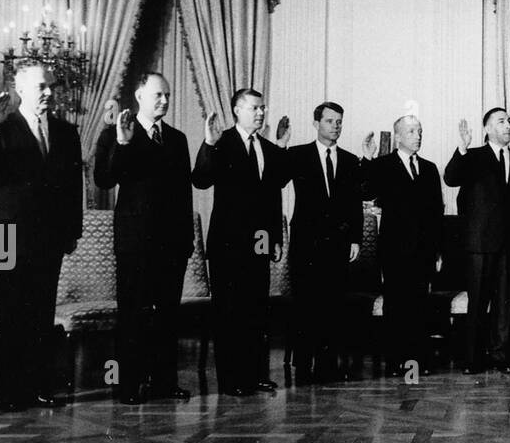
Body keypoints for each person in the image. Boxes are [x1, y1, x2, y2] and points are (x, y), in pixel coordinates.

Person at [0, 63, 83, 411]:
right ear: (21, 90)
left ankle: (40, 387)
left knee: (41, 313)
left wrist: (73, 231)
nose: (49, 93)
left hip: (49, 236)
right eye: (42, 86)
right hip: (3, 233)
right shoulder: (0, 127)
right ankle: (11, 392)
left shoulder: (66, 132)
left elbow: (74, 188)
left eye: (51, 87)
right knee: (9, 310)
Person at [93, 72, 194, 404]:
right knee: (133, 315)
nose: (164, 100)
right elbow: (105, 179)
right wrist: (122, 144)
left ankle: (164, 383)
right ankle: (127, 386)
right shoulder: (115, 133)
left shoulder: (177, 139)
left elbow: (184, 196)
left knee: (167, 316)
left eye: (167, 95)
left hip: (172, 245)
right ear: (139, 95)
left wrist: (187, 241)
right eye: (157, 95)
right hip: (135, 243)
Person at [191, 89, 290, 397]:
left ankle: (256, 375)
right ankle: (231, 379)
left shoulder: (268, 148)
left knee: (256, 309)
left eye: (263, 108)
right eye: (255, 108)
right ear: (237, 109)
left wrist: (275, 237)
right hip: (228, 243)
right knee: (229, 311)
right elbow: (201, 179)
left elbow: (274, 193)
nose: (261, 113)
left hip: (260, 242)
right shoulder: (222, 141)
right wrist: (208, 143)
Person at [443, 108, 510, 374]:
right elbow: (451, 179)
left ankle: (500, 356)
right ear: (487, 129)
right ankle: (473, 359)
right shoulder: (472, 156)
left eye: (508, 120)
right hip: (479, 244)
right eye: (501, 121)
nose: (508, 125)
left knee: (505, 304)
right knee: (478, 302)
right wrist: (461, 148)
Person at [286, 101, 364, 384]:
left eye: (339, 121)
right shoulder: (297, 155)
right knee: (306, 305)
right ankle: (304, 367)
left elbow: (355, 203)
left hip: (338, 244)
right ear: (316, 123)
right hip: (306, 243)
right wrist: (281, 146)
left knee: (333, 305)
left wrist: (355, 238)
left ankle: (328, 366)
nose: (336, 126)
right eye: (330, 121)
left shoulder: (350, 160)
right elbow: (275, 179)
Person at [363, 115, 445, 376]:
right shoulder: (383, 165)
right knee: (397, 304)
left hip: (423, 250)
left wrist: (438, 251)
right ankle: (397, 360)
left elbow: (436, 213)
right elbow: (364, 191)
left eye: (419, 131)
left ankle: (418, 360)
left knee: (420, 304)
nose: (417, 135)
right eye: (411, 131)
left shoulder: (430, 168)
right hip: (395, 249)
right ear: (397, 136)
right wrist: (367, 159)